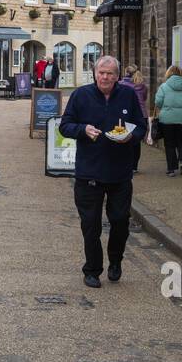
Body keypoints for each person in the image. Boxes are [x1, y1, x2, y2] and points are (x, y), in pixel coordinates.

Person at [60, 55, 144, 288]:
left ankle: (115, 262)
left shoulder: (127, 95)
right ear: (95, 73)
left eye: (110, 73)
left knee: (119, 221)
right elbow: (65, 125)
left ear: (117, 76)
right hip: (89, 172)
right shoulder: (80, 95)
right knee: (91, 224)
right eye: (101, 72)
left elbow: (141, 125)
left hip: (120, 173)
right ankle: (92, 270)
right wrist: (82, 129)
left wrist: (130, 136)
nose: (105, 77)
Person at [154, 65, 182, 176]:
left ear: (168, 73)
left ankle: (171, 169)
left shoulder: (164, 87)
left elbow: (158, 102)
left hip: (167, 120)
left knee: (169, 144)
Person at [118, 65, 149, 174]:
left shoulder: (120, 85)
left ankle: (125, 164)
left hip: (127, 115)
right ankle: (134, 166)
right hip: (142, 115)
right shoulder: (142, 86)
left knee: (123, 139)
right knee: (136, 142)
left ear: (125, 72)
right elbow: (144, 98)